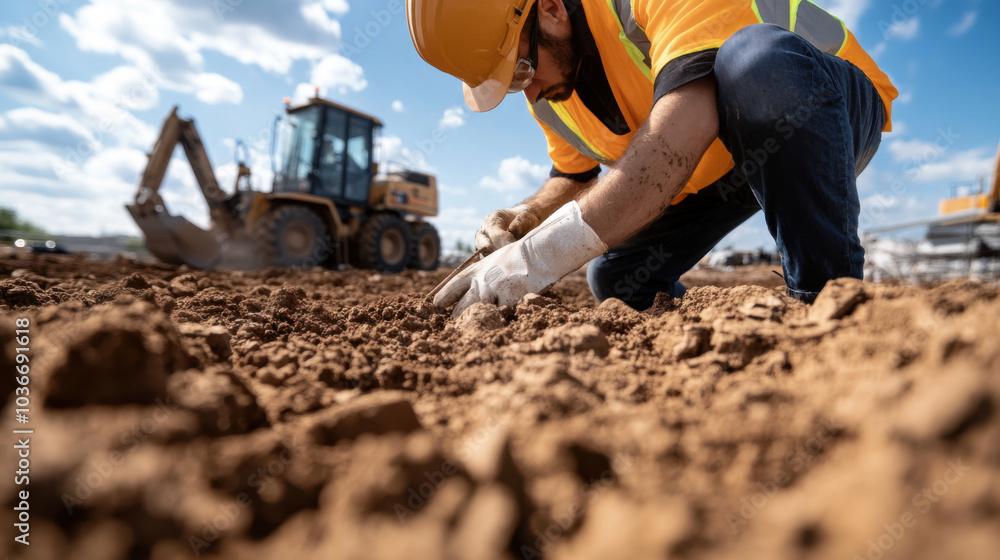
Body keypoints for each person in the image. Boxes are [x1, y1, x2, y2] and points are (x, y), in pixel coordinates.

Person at [406, 0, 896, 315]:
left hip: (821, 106)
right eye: (511, 82)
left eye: (521, 69)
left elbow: (680, 134)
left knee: (755, 63)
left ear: (552, 8)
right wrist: (525, 216)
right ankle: (719, 325)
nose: (527, 90)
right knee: (617, 277)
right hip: (725, 163)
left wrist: (536, 259)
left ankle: (826, 298)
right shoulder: (551, 94)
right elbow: (572, 176)